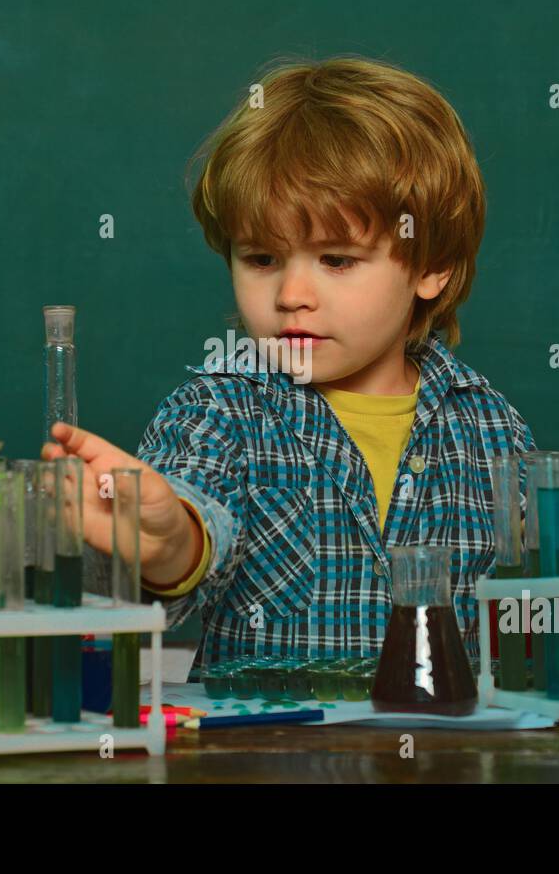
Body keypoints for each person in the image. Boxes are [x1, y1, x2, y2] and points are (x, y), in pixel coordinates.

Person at [43, 55, 534, 671]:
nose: (290, 294)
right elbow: (196, 520)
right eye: (263, 259)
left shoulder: (490, 427)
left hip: (452, 758)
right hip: (271, 758)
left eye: (337, 260)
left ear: (433, 266)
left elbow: (526, 606)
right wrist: (169, 542)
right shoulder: (217, 412)